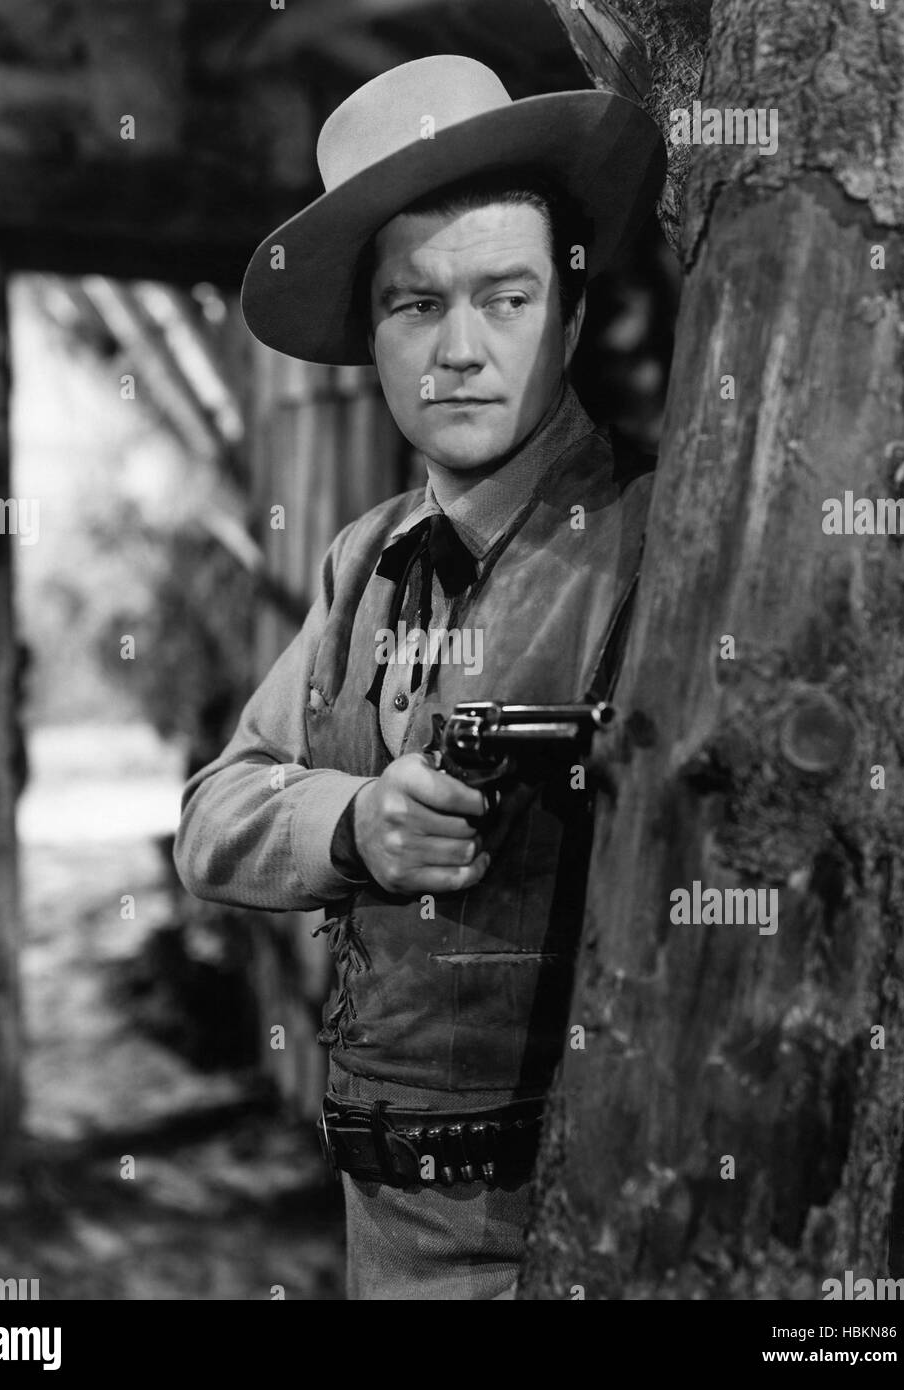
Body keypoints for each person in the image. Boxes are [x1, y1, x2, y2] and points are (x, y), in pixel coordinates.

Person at [174, 54, 666, 1299]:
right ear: (372, 336)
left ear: (567, 306)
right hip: (381, 1228)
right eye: (413, 306)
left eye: (501, 297)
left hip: (572, 1224)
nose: (457, 350)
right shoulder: (364, 561)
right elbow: (213, 818)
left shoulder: (661, 540)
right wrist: (355, 823)